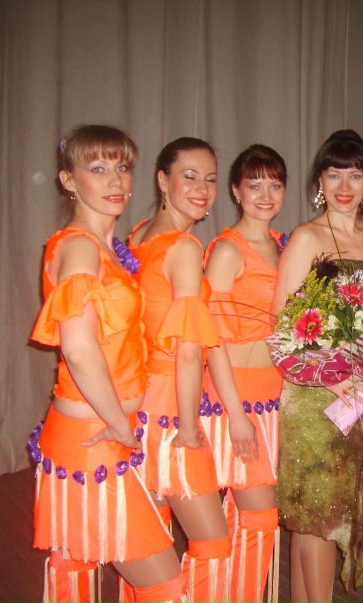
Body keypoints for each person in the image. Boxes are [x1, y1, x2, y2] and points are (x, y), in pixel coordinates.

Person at [30, 125, 185, 602]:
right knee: (164, 583)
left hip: (101, 431)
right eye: (97, 169)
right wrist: (119, 424)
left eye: (121, 167)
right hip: (94, 438)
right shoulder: (79, 247)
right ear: (68, 180)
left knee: (81, 571)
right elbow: (78, 349)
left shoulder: (106, 250)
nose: (115, 180)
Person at [272, 129, 363, 603]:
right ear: (320, 181)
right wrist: (330, 375)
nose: (345, 186)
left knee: (322, 516)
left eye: (355, 175)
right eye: (334, 174)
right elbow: (281, 328)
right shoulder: (307, 238)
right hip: (313, 396)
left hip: (360, 394)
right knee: (318, 516)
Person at [128, 138, 229, 602]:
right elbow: (189, 351)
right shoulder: (184, 247)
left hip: (139, 402)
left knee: (154, 538)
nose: (202, 188)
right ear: (162, 180)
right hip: (171, 408)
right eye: (189, 176)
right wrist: (189, 430)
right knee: (213, 543)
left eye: (210, 179)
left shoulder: (139, 234)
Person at [203, 144, 288, 603]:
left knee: (247, 517)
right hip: (234, 397)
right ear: (236, 191)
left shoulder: (281, 246)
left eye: (274, 185)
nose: (265, 195)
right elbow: (211, 337)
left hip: (271, 398)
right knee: (259, 519)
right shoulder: (227, 250)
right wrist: (235, 415)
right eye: (254, 185)